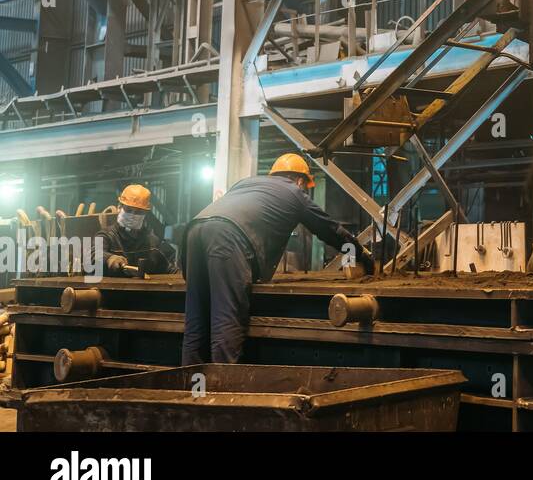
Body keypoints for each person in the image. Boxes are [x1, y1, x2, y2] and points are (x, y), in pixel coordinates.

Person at [180, 153, 374, 364]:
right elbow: (330, 230)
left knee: (196, 322)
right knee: (226, 320)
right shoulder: (295, 193)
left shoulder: (247, 183)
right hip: (227, 237)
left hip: (194, 231)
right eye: (305, 186)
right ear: (300, 180)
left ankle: (192, 388)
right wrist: (359, 253)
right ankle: (222, 389)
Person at [97, 184, 176, 277]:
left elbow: (169, 269)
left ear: (145, 214)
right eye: (128, 210)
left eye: (138, 212)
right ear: (119, 207)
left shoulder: (152, 243)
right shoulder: (107, 236)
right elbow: (93, 254)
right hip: (113, 291)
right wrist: (110, 258)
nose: (132, 215)